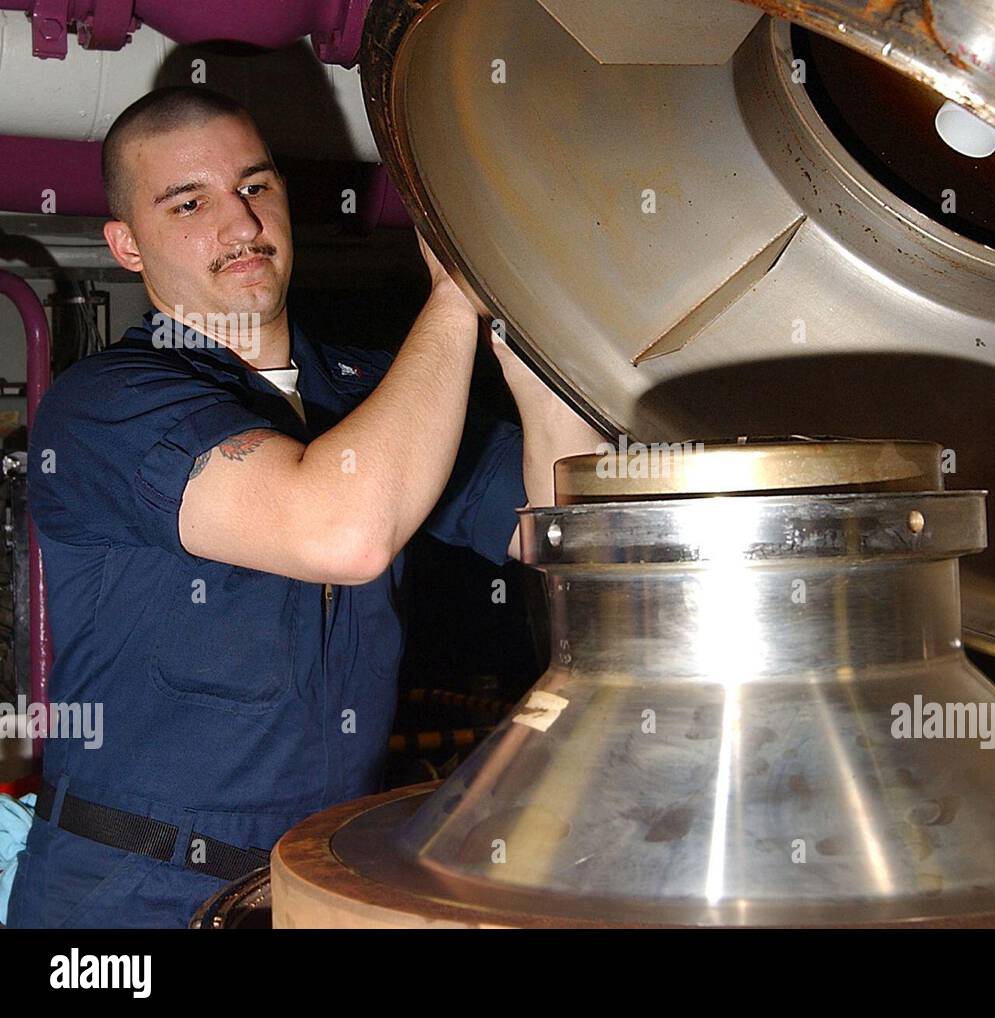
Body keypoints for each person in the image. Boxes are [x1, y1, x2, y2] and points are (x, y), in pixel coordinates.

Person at [5, 86, 600, 928]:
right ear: (126, 246)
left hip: (317, 884)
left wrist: (524, 311)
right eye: (190, 202)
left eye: (256, 186)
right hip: (128, 897)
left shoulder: (364, 393)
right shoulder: (106, 405)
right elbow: (342, 530)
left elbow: (562, 518)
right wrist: (452, 299)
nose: (243, 225)